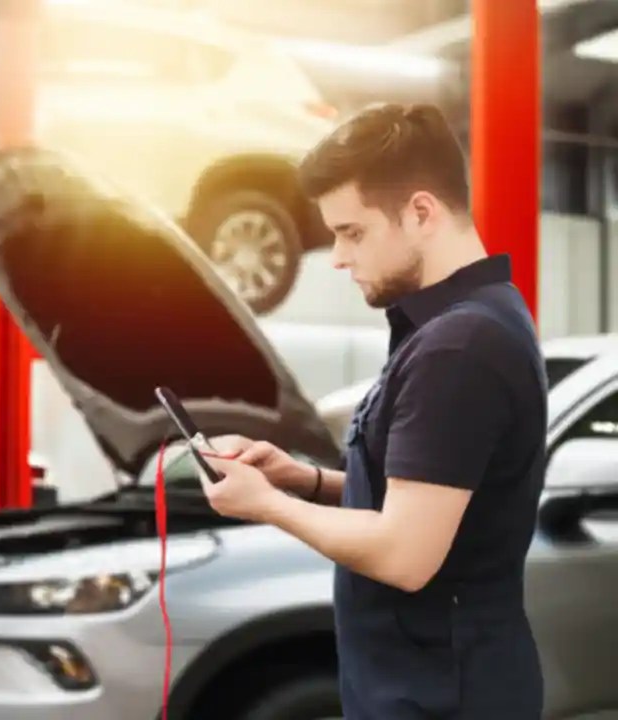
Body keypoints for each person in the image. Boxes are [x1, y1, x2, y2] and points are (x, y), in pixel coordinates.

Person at [198, 102, 547, 719]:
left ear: (421, 213)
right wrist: (302, 480)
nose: (337, 256)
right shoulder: (464, 324)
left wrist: (266, 505)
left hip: (441, 699)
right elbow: (434, 497)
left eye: (352, 232)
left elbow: (405, 555)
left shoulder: (459, 347)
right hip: (432, 686)